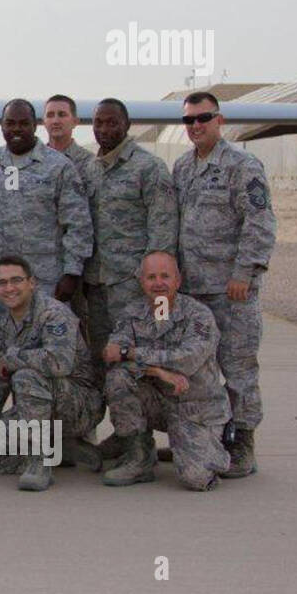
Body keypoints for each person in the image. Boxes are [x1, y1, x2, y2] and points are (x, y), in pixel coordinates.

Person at [0, 99, 92, 418]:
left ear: (35, 126)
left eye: (23, 123)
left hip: (44, 284)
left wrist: (71, 273)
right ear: (2, 126)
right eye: (11, 124)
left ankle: (41, 430)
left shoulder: (58, 166)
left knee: (38, 360)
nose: (16, 130)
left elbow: (77, 222)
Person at [172, 92, 276, 478]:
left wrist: (244, 274)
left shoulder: (242, 165)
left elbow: (260, 222)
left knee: (238, 368)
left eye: (203, 118)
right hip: (192, 291)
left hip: (230, 291)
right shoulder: (183, 168)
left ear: (220, 120)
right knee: (201, 371)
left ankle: (243, 441)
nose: (196, 126)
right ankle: (207, 438)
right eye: (189, 121)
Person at [101, 252, 231, 491]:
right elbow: (111, 355)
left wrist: (132, 354)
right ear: (142, 282)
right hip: (158, 403)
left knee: (196, 478)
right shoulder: (131, 313)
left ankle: (214, 444)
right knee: (118, 378)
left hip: (195, 408)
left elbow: (187, 360)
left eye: (165, 276)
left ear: (178, 281)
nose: (158, 283)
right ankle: (139, 457)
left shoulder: (198, 315)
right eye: (151, 277)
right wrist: (161, 373)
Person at [0, 255, 103, 491]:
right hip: (36, 409)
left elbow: (59, 363)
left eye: (16, 280)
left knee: (26, 376)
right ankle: (63, 448)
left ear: (32, 283)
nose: (9, 288)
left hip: (78, 405)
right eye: (2, 283)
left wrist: (14, 358)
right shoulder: (4, 327)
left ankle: (40, 459)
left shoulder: (54, 314)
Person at [81, 99, 177, 396]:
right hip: (97, 286)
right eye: (99, 123)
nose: (105, 129)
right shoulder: (91, 169)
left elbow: (162, 230)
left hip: (132, 287)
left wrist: (153, 287)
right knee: (100, 359)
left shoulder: (148, 168)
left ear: (127, 125)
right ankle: (110, 433)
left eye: (112, 122)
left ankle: (137, 438)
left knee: (137, 360)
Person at [43, 94, 94, 170]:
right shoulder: (34, 160)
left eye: (62, 115)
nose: (55, 121)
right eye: (50, 115)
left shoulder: (90, 162)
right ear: (44, 122)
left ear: (75, 122)